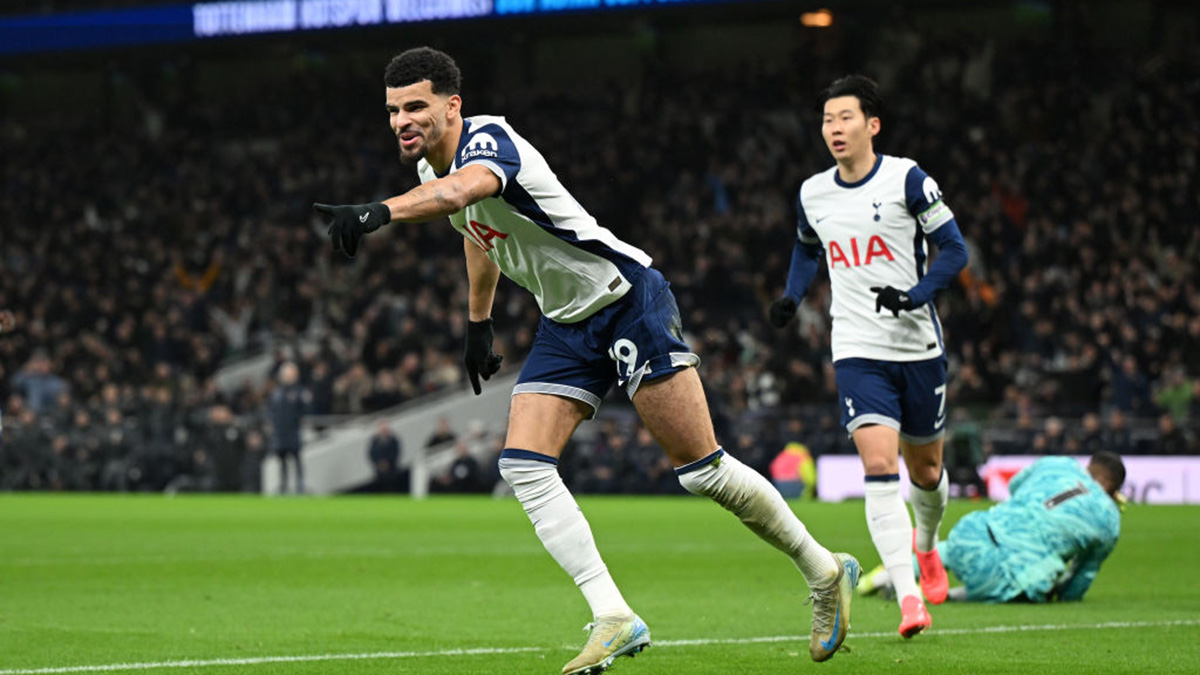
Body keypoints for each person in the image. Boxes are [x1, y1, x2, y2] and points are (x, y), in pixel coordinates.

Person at [314, 46, 859, 671]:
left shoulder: (491, 140)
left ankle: (822, 571)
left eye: (416, 106)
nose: (402, 120)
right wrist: (477, 324)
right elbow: (478, 235)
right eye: (392, 110)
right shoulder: (429, 177)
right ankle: (614, 615)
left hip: (626, 297)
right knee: (523, 466)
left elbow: (465, 191)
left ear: (452, 106)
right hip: (567, 322)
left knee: (701, 470)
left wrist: (376, 212)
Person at [768, 75, 969, 637]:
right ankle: (910, 599)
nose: (834, 128)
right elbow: (807, 249)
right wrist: (792, 296)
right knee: (879, 468)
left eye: (845, 118)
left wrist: (916, 295)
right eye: (827, 120)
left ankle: (927, 551)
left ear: (871, 125)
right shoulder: (813, 192)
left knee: (926, 472)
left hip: (917, 347)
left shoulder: (907, 178)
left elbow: (954, 250)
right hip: (856, 348)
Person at [858, 452, 1125, 603]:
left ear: (1090, 466)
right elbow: (1083, 574)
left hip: (975, 534)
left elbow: (1015, 485)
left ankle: (888, 574)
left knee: (948, 550)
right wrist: (1065, 596)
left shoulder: (1061, 464)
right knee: (1015, 587)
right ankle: (943, 596)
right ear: (1113, 489)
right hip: (1014, 574)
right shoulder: (1109, 518)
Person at [267, 361, 311, 495]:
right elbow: (271, 412)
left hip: (293, 432)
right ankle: (283, 486)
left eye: (290, 374)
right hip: (280, 433)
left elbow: (307, 409)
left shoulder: (300, 392)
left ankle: (300, 486)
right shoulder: (276, 394)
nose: (287, 377)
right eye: (285, 374)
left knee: (297, 459)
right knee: (282, 462)